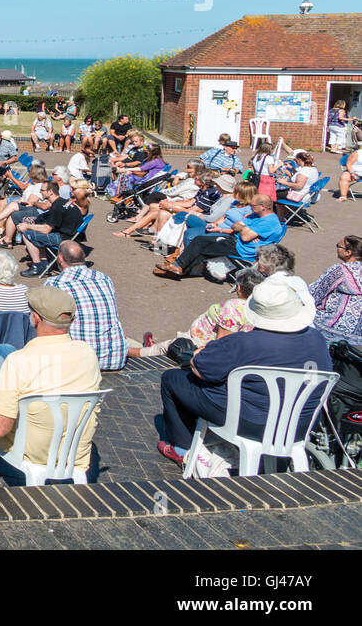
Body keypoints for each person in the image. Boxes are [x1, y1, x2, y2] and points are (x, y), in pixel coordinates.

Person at [156, 274, 333, 467]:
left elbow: (201, 369)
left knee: (173, 378)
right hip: (301, 425)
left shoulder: (244, 342)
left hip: (251, 423)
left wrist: (199, 354)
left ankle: (182, 448)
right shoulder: (317, 340)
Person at [0, 286, 102, 483]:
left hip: (27, 456)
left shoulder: (19, 361)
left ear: (36, 318)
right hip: (74, 456)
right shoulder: (87, 354)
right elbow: (49, 378)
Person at [155, 192, 282, 280]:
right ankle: (177, 267)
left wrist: (243, 227)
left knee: (198, 241)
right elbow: (236, 227)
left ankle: (176, 266)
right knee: (197, 240)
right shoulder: (255, 216)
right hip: (234, 239)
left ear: (263, 207)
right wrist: (244, 229)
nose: (250, 208)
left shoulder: (269, 222)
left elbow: (244, 237)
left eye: (253, 206)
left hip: (243, 250)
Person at [43, 241, 127, 370]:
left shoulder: (55, 283)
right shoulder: (103, 278)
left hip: (80, 363)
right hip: (115, 359)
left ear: (60, 259)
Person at [18, 182, 90, 277]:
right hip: (72, 235)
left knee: (27, 234)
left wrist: (27, 226)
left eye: (42, 190)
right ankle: (44, 262)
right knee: (36, 230)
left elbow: (46, 230)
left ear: (50, 192)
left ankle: (38, 266)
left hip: (64, 239)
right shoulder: (63, 201)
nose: (40, 192)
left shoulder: (57, 207)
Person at [309, 236, 362, 348]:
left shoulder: (341, 270)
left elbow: (315, 293)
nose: (337, 248)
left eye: (338, 246)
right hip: (359, 332)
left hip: (335, 326)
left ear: (348, 252)